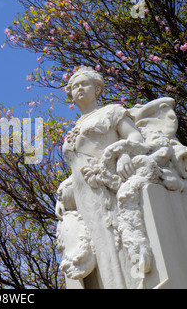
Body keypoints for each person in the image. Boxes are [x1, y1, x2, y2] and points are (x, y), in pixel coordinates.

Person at [55, 66, 150, 288]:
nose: (79, 88)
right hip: (82, 196)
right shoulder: (73, 129)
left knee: (114, 242)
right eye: (74, 86)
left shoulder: (111, 112)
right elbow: (76, 166)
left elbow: (136, 136)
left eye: (84, 84)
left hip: (106, 186)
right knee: (96, 247)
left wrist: (123, 153)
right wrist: (63, 196)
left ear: (97, 89)